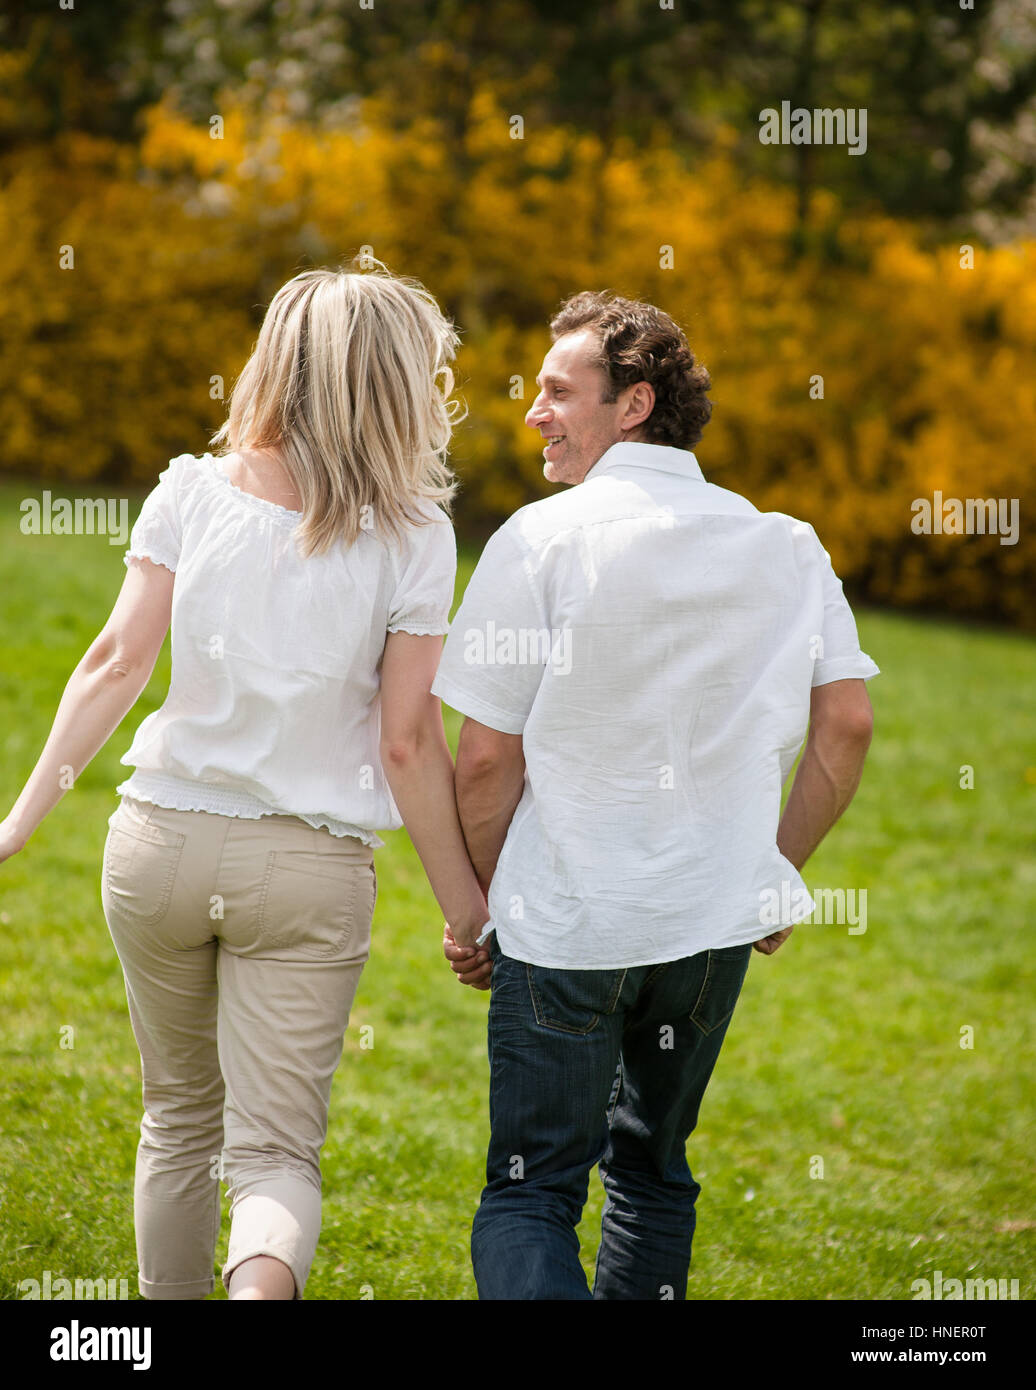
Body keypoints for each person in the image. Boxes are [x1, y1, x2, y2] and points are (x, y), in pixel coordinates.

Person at [0, 264, 489, 1300]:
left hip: (159, 846)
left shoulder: (190, 489)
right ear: (400, 384)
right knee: (274, 1155)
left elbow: (112, 666)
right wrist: (465, 911)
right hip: (306, 870)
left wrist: (17, 822)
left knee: (175, 1119)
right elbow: (409, 743)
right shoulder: (417, 534)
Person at [436, 290, 879, 1300]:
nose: (533, 413)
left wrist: (490, 902)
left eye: (557, 392)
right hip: (709, 926)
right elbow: (846, 725)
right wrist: (770, 871)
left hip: (566, 927)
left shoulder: (539, 541)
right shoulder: (786, 543)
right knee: (651, 1176)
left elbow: (484, 760)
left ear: (632, 404)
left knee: (529, 1192)